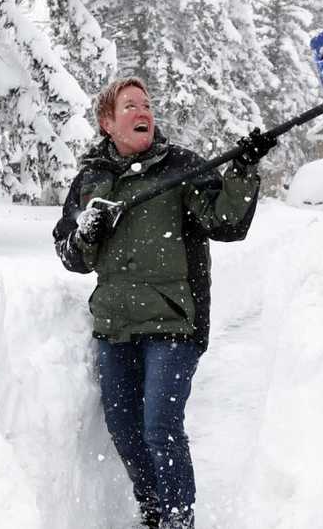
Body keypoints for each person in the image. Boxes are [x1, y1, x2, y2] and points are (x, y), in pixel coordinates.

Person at [53, 77, 277, 528]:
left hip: (175, 320)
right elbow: (69, 254)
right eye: (131, 105)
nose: (144, 113)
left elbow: (227, 222)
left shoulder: (181, 167)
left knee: (160, 427)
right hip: (115, 324)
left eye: (148, 105)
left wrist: (244, 169)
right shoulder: (91, 180)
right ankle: (154, 509)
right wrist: (85, 233)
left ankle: (178, 519)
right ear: (107, 122)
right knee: (125, 432)